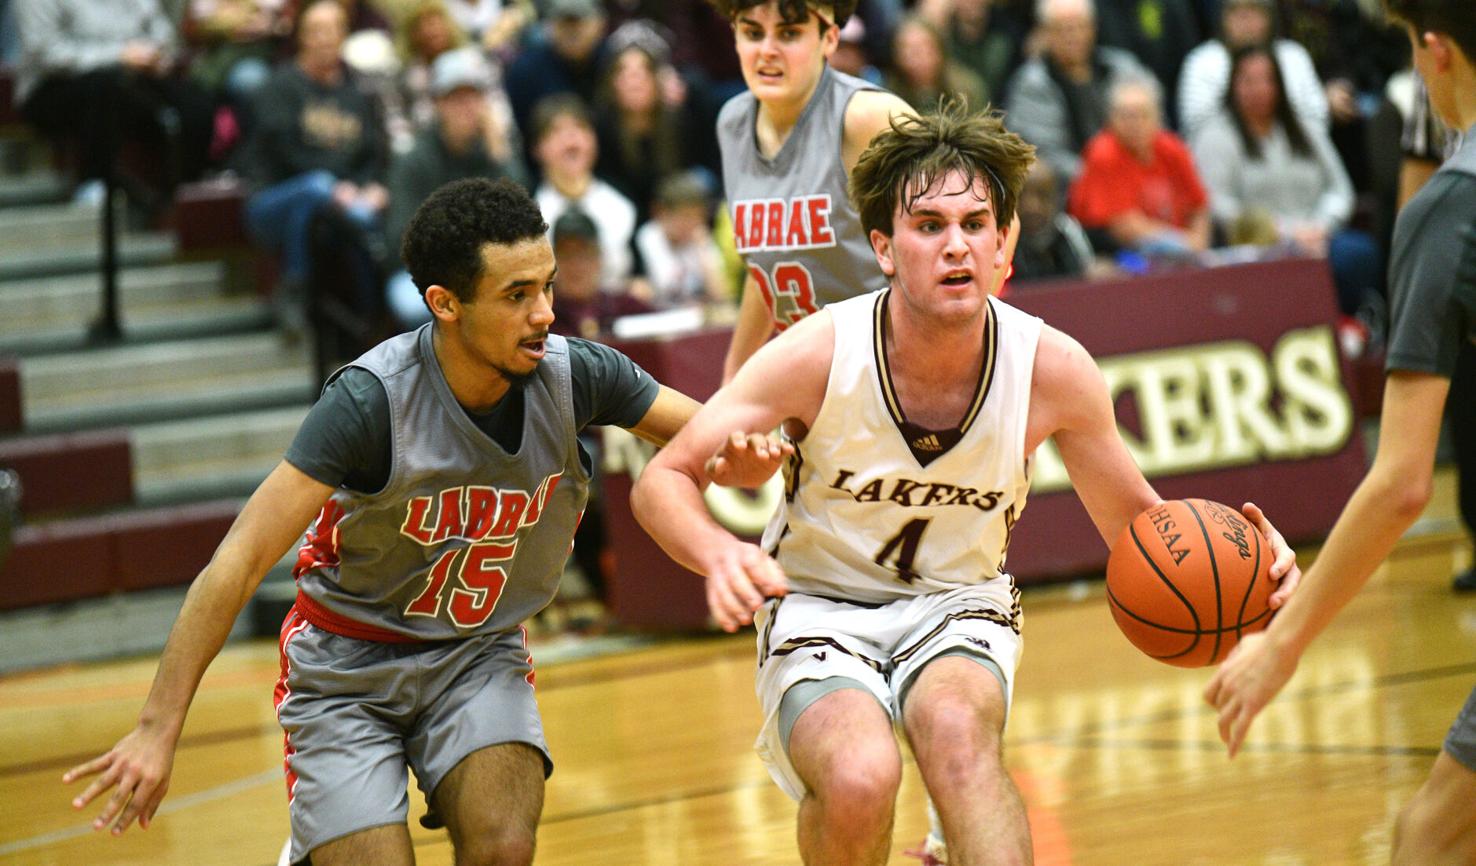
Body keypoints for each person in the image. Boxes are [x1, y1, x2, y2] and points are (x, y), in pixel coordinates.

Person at [631, 104, 1299, 866]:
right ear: (883, 248)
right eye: (929, 226)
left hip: (957, 602)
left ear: (1003, 244)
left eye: (976, 224)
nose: (956, 245)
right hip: (818, 603)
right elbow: (663, 479)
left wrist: (1257, 575)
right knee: (858, 776)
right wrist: (720, 553)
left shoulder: (1053, 370)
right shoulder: (819, 352)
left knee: (958, 741)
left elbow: (1142, 530)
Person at [59, 177, 783, 865]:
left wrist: (741, 461)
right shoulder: (369, 402)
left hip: (476, 652)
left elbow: (712, 437)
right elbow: (238, 562)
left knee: (504, 844)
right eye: (517, 295)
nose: (544, 313)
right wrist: (156, 730)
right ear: (445, 303)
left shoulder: (580, 371)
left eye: (547, 286)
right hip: (346, 664)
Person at [1204, 2, 1476, 861]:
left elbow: (1401, 484)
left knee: (1428, 839)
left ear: (1435, 52)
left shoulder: (1449, 208)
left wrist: (1281, 646)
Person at [709, 0, 914, 383]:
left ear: (829, 39)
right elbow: (769, 265)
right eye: (753, 33)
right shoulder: (732, 123)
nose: (767, 50)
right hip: (816, 378)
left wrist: (961, 345)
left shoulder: (867, 117)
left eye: (789, 34)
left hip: (897, 370)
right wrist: (734, 375)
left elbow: (989, 217)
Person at [1190, 45, 1380, 317]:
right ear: (1233, 85)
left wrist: (1321, 226)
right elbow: (1217, 203)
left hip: (1318, 235)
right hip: (1259, 242)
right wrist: (1285, 232)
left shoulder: (1303, 127)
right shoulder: (1216, 135)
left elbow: (1340, 188)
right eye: (1249, 81)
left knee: (1359, 253)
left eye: (1267, 80)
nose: (1259, 89)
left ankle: (1352, 329)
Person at [241, 0, 391, 332]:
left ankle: (368, 316)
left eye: (333, 30)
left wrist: (370, 187)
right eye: (316, 31)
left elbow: (371, 154)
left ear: (344, 36)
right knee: (316, 187)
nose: (325, 38)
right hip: (271, 202)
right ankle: (297, 291)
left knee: (357, 211)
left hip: (334, 203)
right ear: (301, 37)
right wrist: (340, 186)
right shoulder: (278, 86)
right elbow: (286, 154)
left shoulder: (357, 92)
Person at [14, 0, 216, 204]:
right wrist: (119, 55)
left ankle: (188, 195)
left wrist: (156, 53)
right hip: (56, 85)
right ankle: (94, 184)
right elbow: (46, 53)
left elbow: (161, 31)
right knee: (105, 89)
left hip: (135, 76)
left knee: (196, 103)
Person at [384, 47, 519, 330]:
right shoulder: (414, 159)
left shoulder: (494, 151)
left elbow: (522, 215)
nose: (466, 106)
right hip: (429, 274)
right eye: (456, 98)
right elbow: (398, 237)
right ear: (437, 104)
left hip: (491, 269)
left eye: (473, 96)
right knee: (412, 304)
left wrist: (501, 156)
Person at [1002, 0, 1154, 188]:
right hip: (1068, 191)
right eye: (1062, 29)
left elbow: (1155, 124)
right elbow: (1044, 152)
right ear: (1045, 33)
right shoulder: (1031, 85)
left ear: (1093, 28)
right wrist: (1104, 177)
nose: (1072, 36)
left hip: (1136, 178)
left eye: (1079, 27)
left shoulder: (1123, 69)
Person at [1068, 76, 1211, 259]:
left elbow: (1199, 206)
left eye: (1143, 115)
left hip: (1181, 251)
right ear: (1111, 119)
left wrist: (1199, 242)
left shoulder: (1172, 148)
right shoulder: (1102, 153)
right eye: (1126, 116)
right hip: (1119, 254)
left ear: (1157, 117)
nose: (1135, 124)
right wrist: (1187, 244)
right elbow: (1123, 227)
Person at [530, 94, 640, 290]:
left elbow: (640, 280)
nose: (570, 140)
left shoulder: (622, 204)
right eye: (557, 131)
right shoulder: (526, 211)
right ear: (537, 149)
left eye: (579, 128)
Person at [1177, 0, 1327, 141]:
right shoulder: (1204, 60)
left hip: (1292, 148)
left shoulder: (1293, 56)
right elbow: (1196, 124)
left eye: (1254, 11)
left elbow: (1317, 115)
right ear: (1223, 19)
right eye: (1237, 12)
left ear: (1269, 17)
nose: (1246, 21)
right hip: (1226, 150)